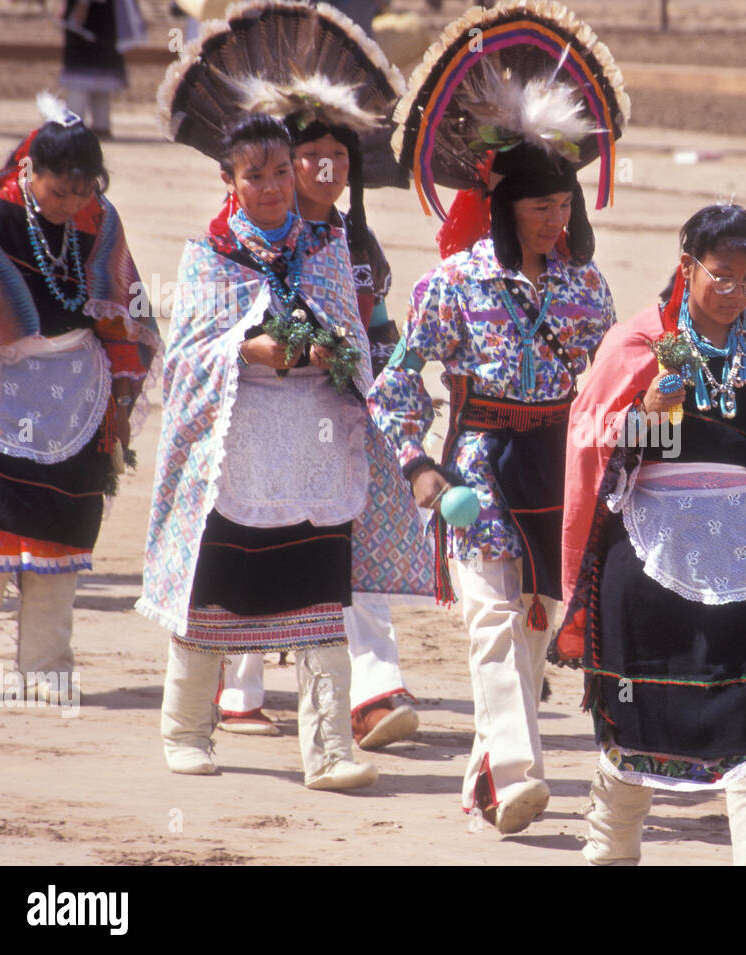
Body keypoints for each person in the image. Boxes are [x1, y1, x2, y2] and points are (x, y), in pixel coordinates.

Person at [373, 0, 629, 834]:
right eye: (541, 207)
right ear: (505, 203)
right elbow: (396, 387)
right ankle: (520, 774)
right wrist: (418, 464)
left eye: (566, 206)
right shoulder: (449, 286)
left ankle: (487, 770)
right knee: (490, 619)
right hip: (478, 462)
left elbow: (614, 383)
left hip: (561, 464)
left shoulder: (587, 288)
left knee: (533, 628)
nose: (558, 220)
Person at [139, 113, 430, 789]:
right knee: (214, 591)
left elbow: (356, 338)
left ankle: (327, 749)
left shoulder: (327, 248)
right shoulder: (208, 255)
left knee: (322, 596)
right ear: (228, 179)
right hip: (237, 452)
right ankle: (185, 730)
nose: (270, 188)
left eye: (278, 172)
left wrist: (333, 351)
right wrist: (247, 347)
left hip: (315, 449)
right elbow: (184, 360)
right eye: (254, 175)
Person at [554, 204, 746, 865]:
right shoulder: (649, 344)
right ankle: (609, 850)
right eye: (721, 274)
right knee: (636, 720)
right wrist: (652, 414)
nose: (735, 291)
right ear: (687, 266)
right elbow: (599, 454)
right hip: (649, 562)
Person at [202, 2, 420, 750]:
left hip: (346, 414)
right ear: (275, 167)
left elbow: (381, 323)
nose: (326, 169)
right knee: (259, 536)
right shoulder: (247, 244)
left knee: (338, 537)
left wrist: (386, 372)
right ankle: (239, 684)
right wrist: (277, 350)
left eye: (339, 156)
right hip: (262, 419)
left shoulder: (356, 244)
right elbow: (221, 329)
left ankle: (377, 689)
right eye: (309, 158)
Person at [0, 95, 160, 703]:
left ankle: (46, 667)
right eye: (61, 192)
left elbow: (126, 308)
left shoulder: (100, 222)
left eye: (85, 191)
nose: (72, 204)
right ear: (30, 171)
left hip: (77, 400)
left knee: (61, 530)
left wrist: (126, 387)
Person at [57, 0, 147, 138]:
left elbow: (80, 11)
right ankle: (100, 126)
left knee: (80, 89)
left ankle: (74, 130)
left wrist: (78, 13)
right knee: (98, 91)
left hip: (89, 37)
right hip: (100, 34)